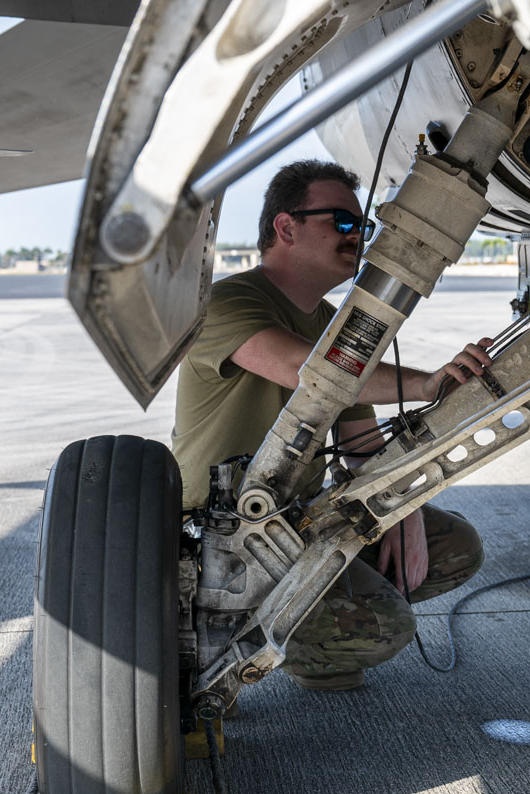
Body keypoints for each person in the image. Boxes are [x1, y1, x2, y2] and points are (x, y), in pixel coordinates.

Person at [172, 160, 490, 691]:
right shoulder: (226, 302)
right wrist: (426, 383)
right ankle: (250, 646)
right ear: (286, 227)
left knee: (454, 547)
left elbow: (362, 446)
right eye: (342, 222)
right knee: (380, 628)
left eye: (362, 227)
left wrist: (400, 511)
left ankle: (314, 636)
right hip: (217, 541)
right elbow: (307, 374)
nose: (357, 236)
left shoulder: (330, 324)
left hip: (296, 523)